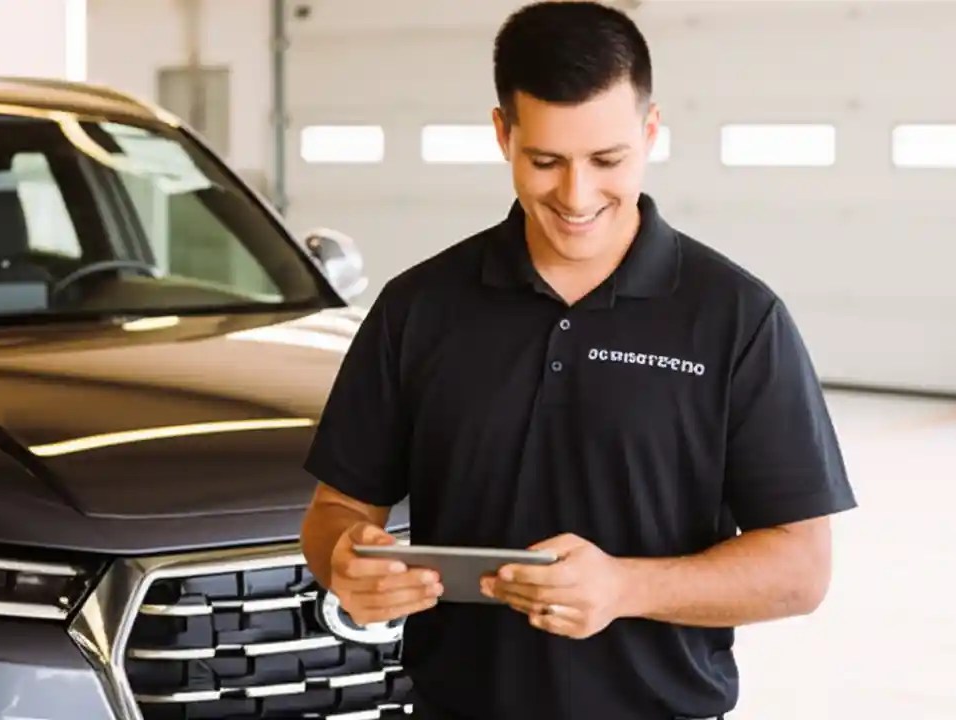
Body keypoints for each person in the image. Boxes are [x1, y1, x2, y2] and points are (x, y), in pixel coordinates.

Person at [300, 2, 857, 718]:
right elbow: (336, 508)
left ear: (650, 131)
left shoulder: (737, 319)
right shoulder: (420, 308)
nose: (576, 195)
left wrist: (627, 588)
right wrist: (346, 559)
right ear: (503, 134)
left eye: (607, 160)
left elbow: (801, 571)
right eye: (546, 161)